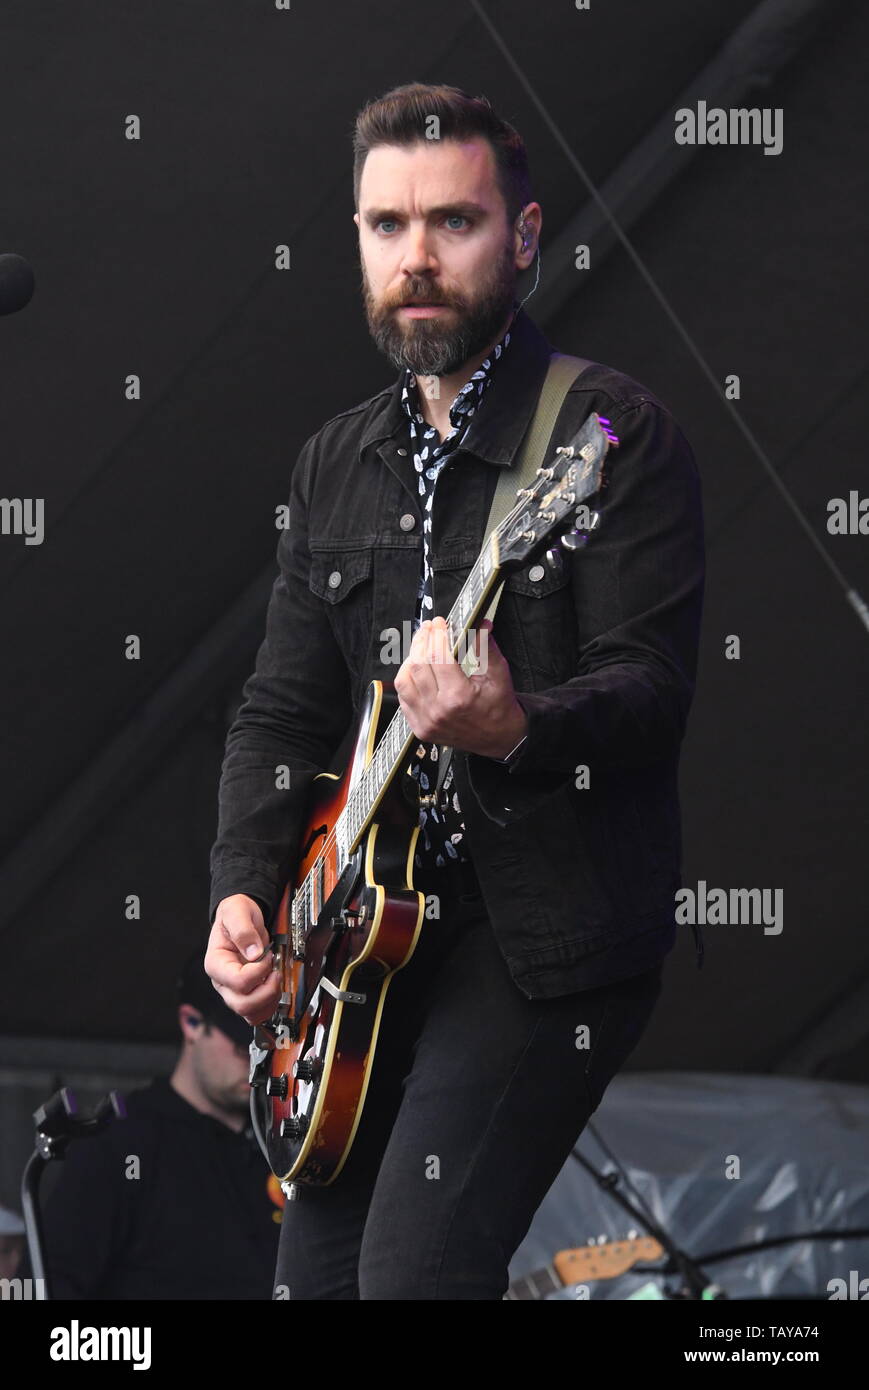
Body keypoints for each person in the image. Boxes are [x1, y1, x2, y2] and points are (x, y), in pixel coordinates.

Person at [206, 82, 705, 1300]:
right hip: (369, 943)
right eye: (386, 227)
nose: (414, 258)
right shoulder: (335, 462)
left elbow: (647, 692)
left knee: (412, 1276)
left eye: (453, 223)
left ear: (523, 238)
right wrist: (243, 891)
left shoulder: (604, 434)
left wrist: (515, 727)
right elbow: (279, 711)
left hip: (539, 938)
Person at [35, 954, 280, 1299]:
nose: (257, 1060)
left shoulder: (283, 1145)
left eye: (269, 1046)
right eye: (243, 1046)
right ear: (192, 1023)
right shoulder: (120, 1142)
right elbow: (51, 1280)